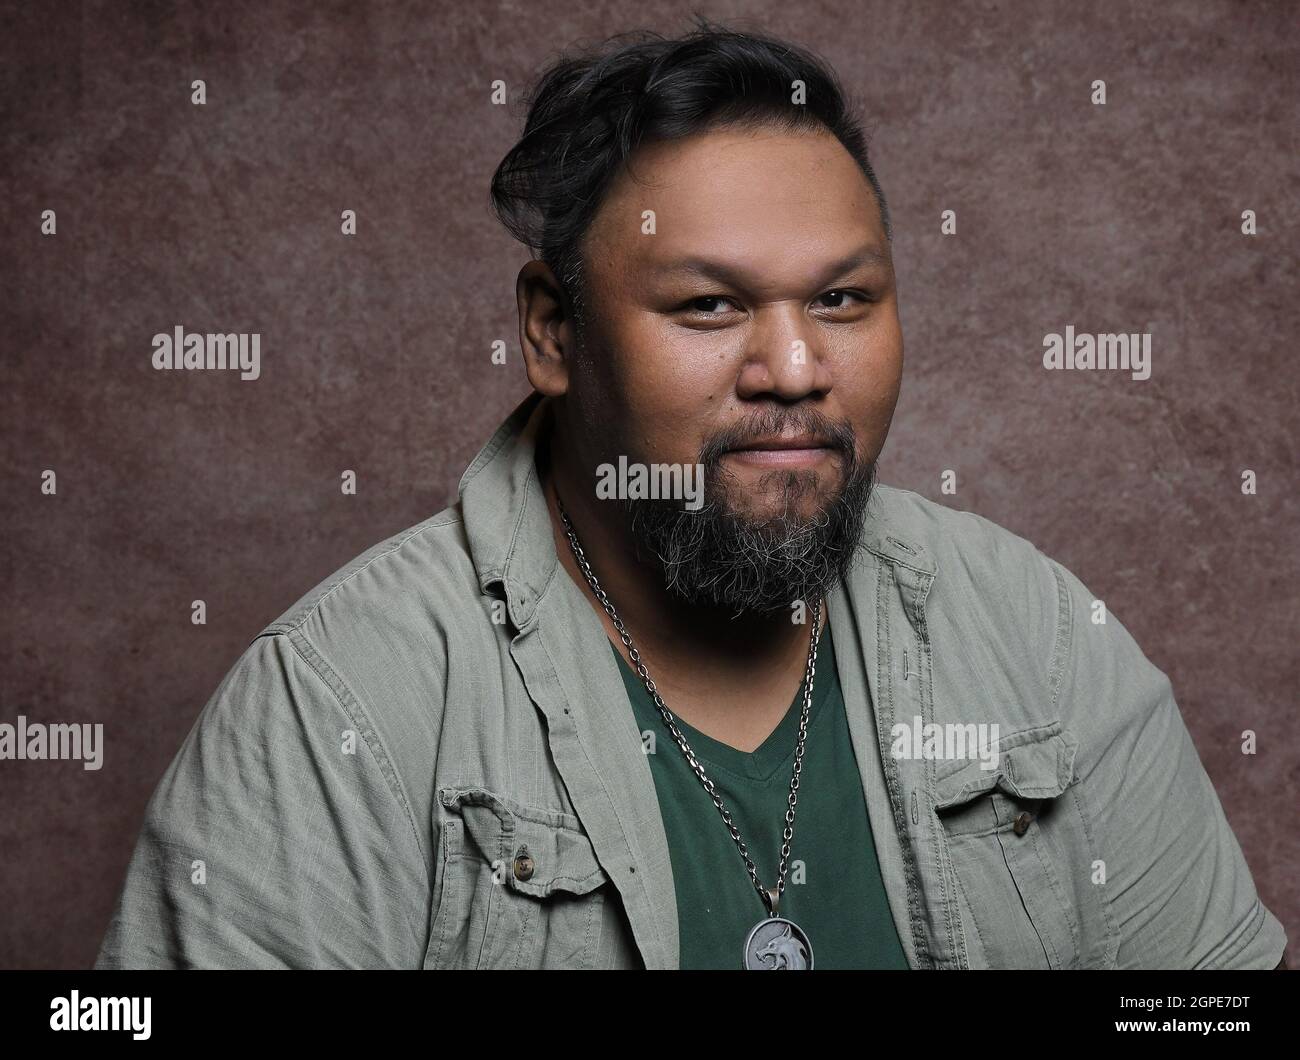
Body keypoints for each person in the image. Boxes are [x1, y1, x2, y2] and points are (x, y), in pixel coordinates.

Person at [96, 21, 1287, 970]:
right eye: (709, 306)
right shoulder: (341, 708)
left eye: (843, 300)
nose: (795, 369)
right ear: (552, 333)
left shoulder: (1041, 645)